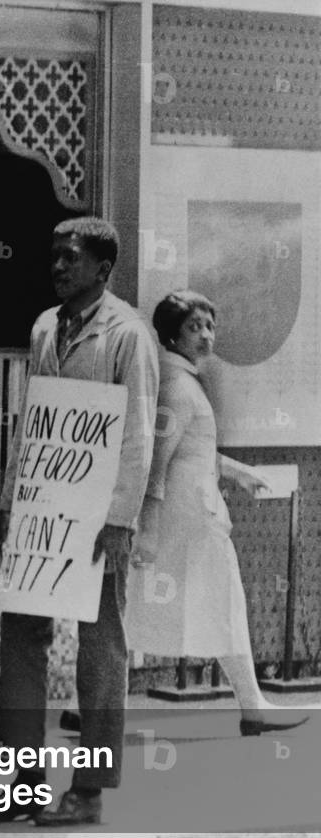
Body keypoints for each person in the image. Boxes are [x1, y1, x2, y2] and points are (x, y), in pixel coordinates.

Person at [0, 217, 159, 826]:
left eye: (70, 257)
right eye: (53, 255)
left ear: (102, 270)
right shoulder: (45, 327)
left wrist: (120, 519)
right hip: (41, 513)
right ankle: (19, 783)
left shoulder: (128, 335)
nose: (56, 266)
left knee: (99, 651)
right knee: (21, 642)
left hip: (99, 518)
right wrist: (9, 504)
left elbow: (137, 436)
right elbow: (33, 423)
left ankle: (88, 792)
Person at [126, 291, 308, 736]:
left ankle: (87, 705)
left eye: (210, 326)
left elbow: (191, 449)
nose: (206, 335)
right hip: (187, 521)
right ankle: (253, 708)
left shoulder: (181, 381)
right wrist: (147, 528)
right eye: (194, 327)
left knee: (136, 608)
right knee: (220, 606)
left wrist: (237, 469)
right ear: (172, 333)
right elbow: (157, 460)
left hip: (189, 517)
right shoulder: (176, 384)